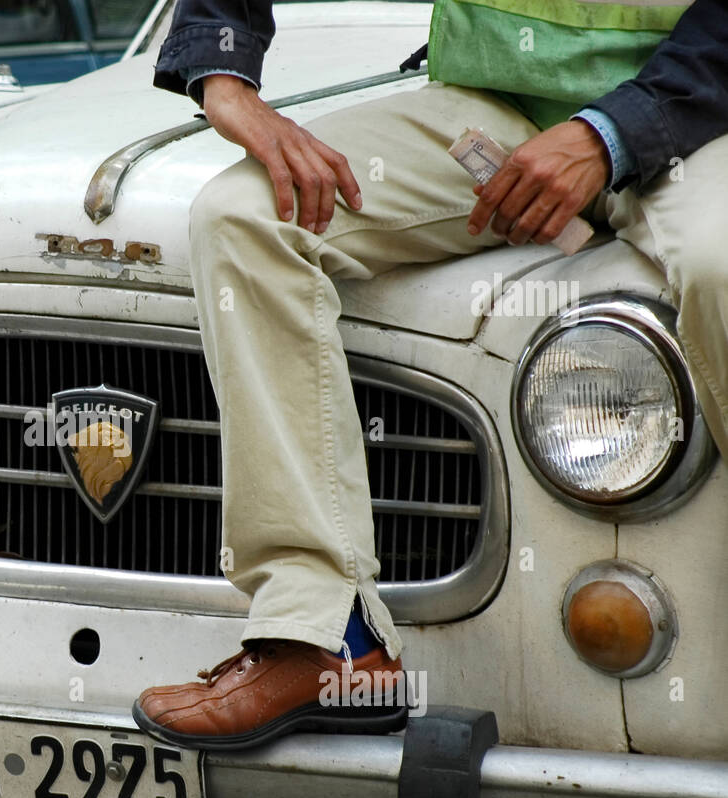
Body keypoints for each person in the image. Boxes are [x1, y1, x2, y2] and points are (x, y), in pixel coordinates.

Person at [132, 0, 728, 749]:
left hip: (704, 114)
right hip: (494, 108)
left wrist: (612, 134)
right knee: (247, 217)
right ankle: (326, 642)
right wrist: (222, 74)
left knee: (724, 267)